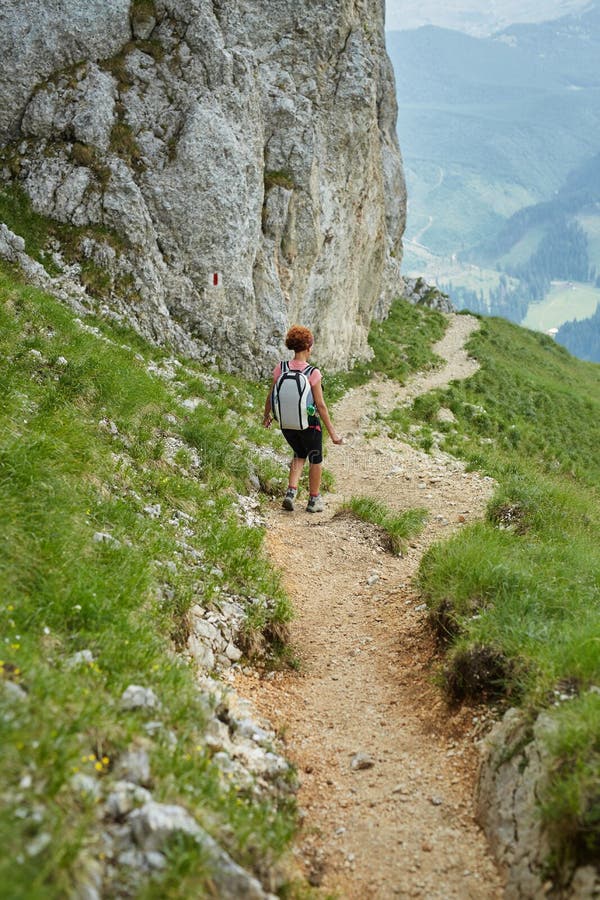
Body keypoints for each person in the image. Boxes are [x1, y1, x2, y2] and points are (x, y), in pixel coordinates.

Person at [263, 325, 343, 512]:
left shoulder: (281, 368)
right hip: (309, 424)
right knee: (315, 458)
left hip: (287, 424)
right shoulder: (313, 373)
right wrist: (333, 433)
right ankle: (314, 500)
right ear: (308, 347)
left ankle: (291, 492)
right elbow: (320, 405)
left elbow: (270, 396)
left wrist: (266, 416)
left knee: (299, 453)